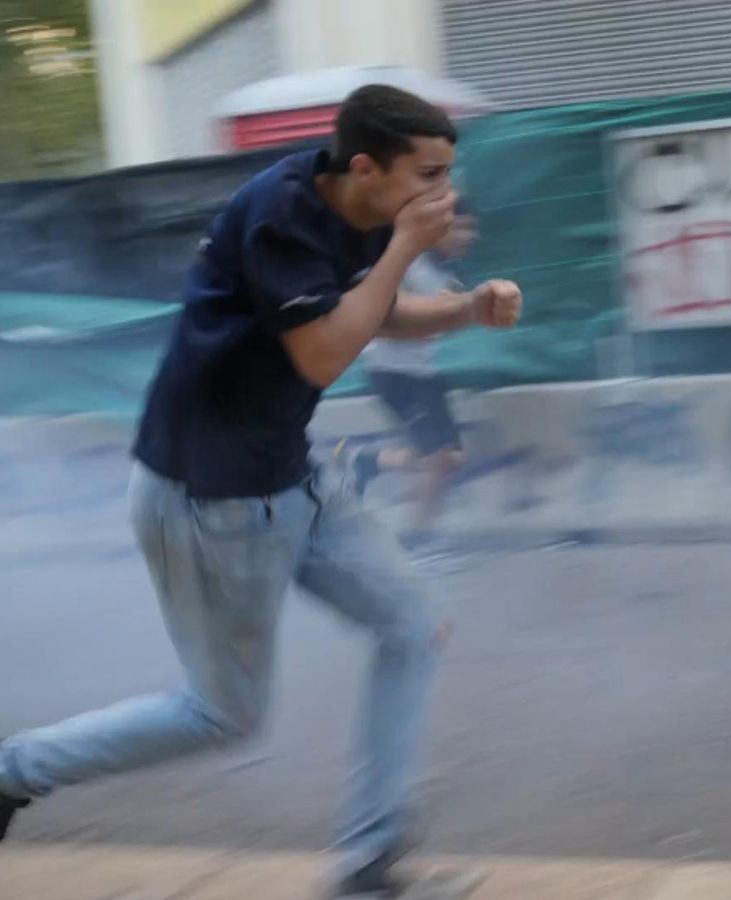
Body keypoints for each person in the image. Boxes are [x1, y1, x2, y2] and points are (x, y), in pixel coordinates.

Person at [0, 85, 522, 897]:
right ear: (365, 167)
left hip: (293, 474)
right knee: (223, 715)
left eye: (446, 173)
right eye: (428, 173)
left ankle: (369, 867)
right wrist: (400, 254)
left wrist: (465, 308)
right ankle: (13, 770)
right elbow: (322, 355)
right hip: (211, 500)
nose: (442, 194)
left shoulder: (365, 212)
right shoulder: (280, 216)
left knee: (415, 627)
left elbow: (376, 315)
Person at [340, 211, 478, 551]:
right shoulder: (410, 262)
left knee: (452, 458)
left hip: (423, 371)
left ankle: (366, 461)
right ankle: (419, 541)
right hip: (391, 370)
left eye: (471, 230)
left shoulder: (453, 272)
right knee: (436, 458)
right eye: (459, 228)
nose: (467, 236)